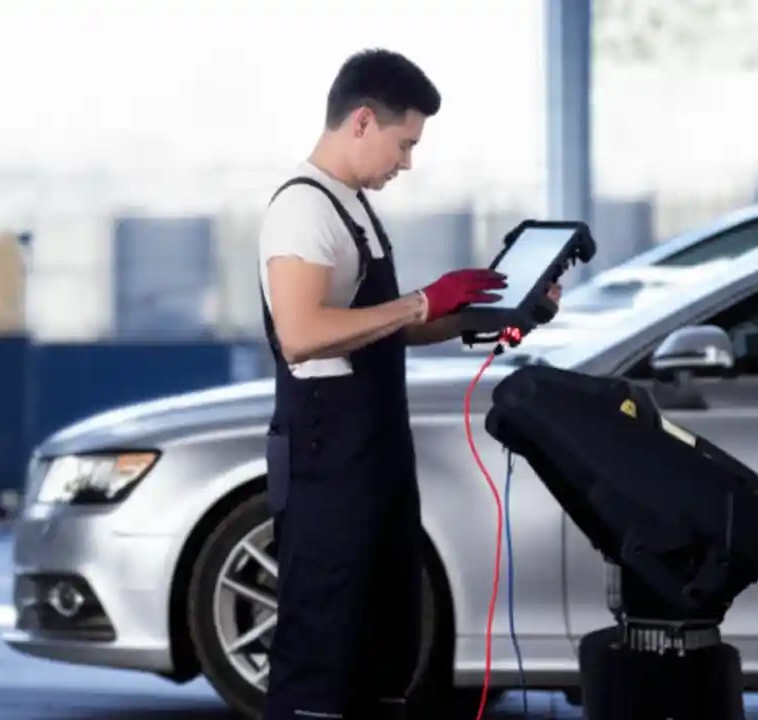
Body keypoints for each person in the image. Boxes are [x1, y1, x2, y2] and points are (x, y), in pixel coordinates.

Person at [256, 49, 530, 719]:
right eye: (404, 143)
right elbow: (301, 333)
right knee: (322, 658)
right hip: (326, 468)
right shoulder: (302, 209)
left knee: (383, 653)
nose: (406, 162)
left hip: (374, 463)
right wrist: (422, 302)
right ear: (361, 121)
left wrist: (493, 315)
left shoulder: (353, 207)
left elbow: (381, 328)